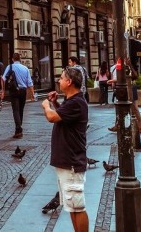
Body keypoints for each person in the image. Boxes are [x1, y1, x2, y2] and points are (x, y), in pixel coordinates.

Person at [41, 66, 90, 232]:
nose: (59, 81)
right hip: (67, 162)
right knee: (71, 206)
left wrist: (47, 105)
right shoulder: (72, 101)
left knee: (77, 206)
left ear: (69, 82)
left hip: (72, 162)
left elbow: (52, 117)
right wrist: (55, 102)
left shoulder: (76, 102)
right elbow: (64, 116)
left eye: (61, 78)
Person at [4, 53, 34, 139]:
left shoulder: (10, 67)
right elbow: (30, 82)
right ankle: (18, 129)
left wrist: (2, 90)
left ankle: (18, 129)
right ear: (20, 59)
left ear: (13, 59)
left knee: (15, 110)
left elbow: (3, 79)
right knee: (21, 109)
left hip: (13, 91)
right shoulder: (25, 68)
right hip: (23, 91)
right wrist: (32, 93)